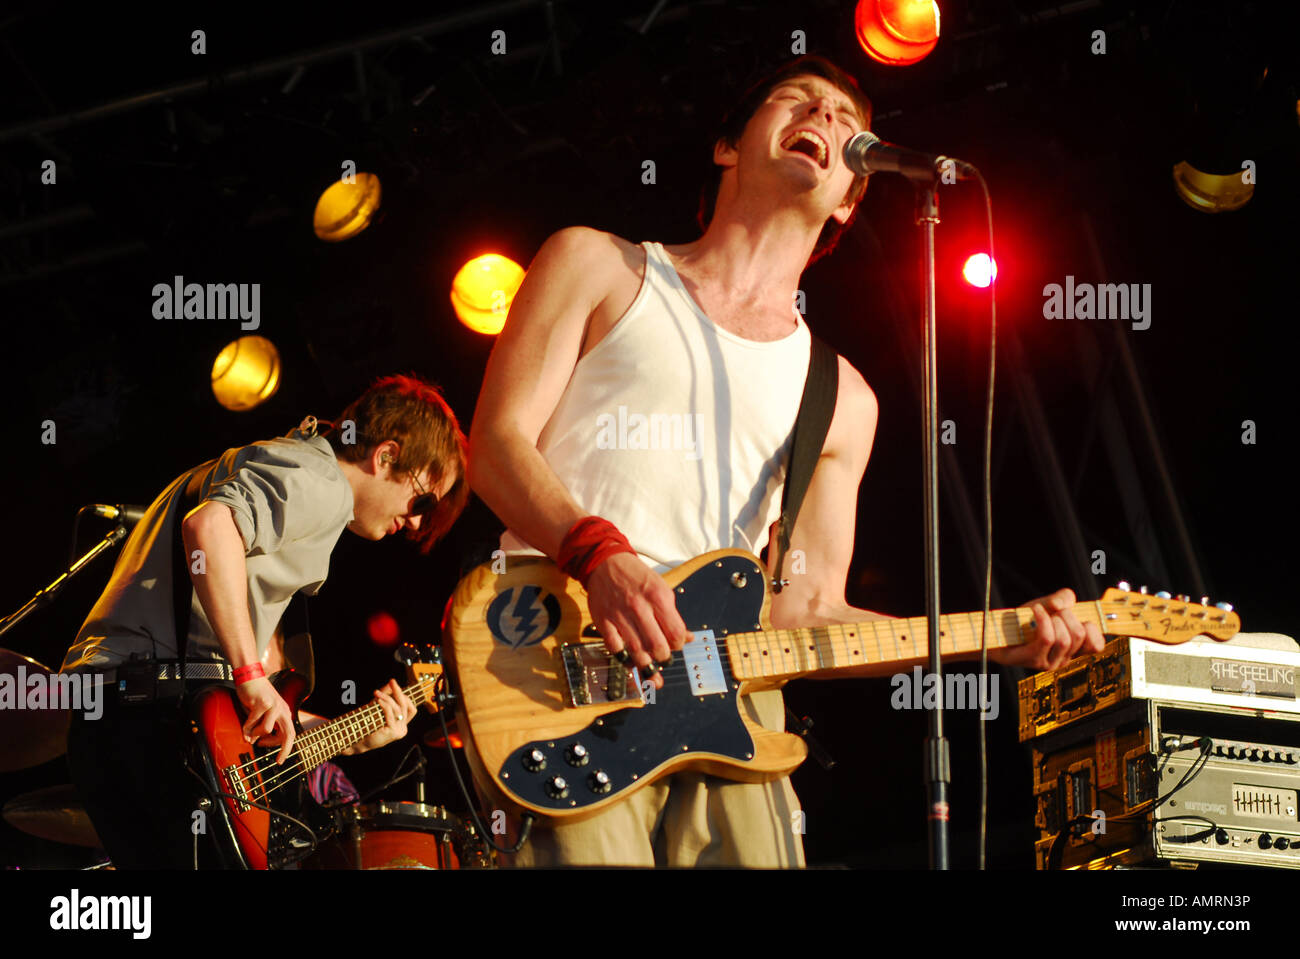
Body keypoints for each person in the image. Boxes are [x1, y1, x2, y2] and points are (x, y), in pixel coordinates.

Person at [467, 56, 1104, 867]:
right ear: (729, 147)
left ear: (848, 197)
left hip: (726, 699)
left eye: (847, 118)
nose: (827, 117)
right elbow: (494, 445)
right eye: (798, 100)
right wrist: (600, 553)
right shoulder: (598, 264)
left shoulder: (842, 395)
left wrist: (996, 639)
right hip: (558, 658)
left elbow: (806, 611)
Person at [61, 373, 468, 868]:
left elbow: (245, 711)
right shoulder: (322, 482)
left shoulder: (285, 468)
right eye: (423, 500)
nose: (419, 521)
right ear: (384, 456)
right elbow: (208, 528)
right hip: (153, 716)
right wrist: (250, 676)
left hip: (130, 707)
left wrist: (354, 733)